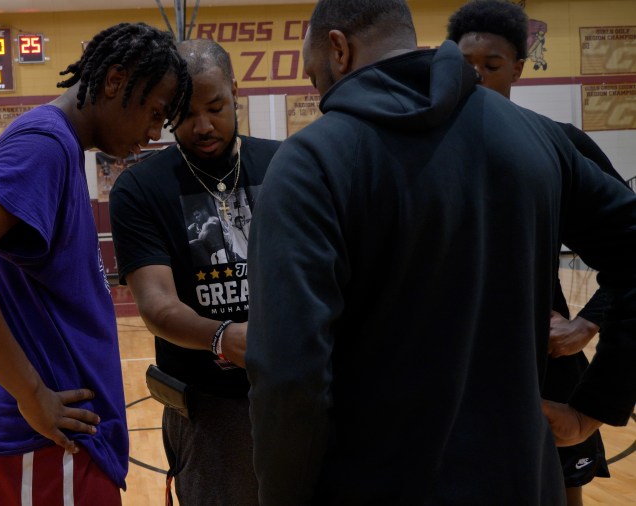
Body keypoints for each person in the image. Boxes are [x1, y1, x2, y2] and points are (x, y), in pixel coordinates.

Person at [245, 0, 636, 504]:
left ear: (338, 50)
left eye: (313, 75)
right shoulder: (537, 136)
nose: (317, 91)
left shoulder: (310, 162)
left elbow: (289, 375)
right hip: (523, 483)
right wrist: (595, 406)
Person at [0, 22, 191, 505]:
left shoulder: (59, 146)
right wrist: (31, 392)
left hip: (53, 445)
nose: (154, 132)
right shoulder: (46, 144)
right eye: (155, 113)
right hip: (36, 445)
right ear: (115, 81)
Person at [446, 2, 632, 503]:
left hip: (539, 363)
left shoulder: (555, 143)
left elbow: (630, 246)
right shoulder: (427, 152)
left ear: (518, 70)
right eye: (465, 65)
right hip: (453, 368)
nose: (476, 77)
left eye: (492, 65)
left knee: (562, 488)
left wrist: (588, 322)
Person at [109, 38, 280, 505]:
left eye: (216, 107)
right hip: (209, 410)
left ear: (235, 91)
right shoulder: (140, 189)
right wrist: (223, 336)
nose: (203, 126)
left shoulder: (286, 164)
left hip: (295, 390)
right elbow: (157, 304)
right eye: (185, 114)